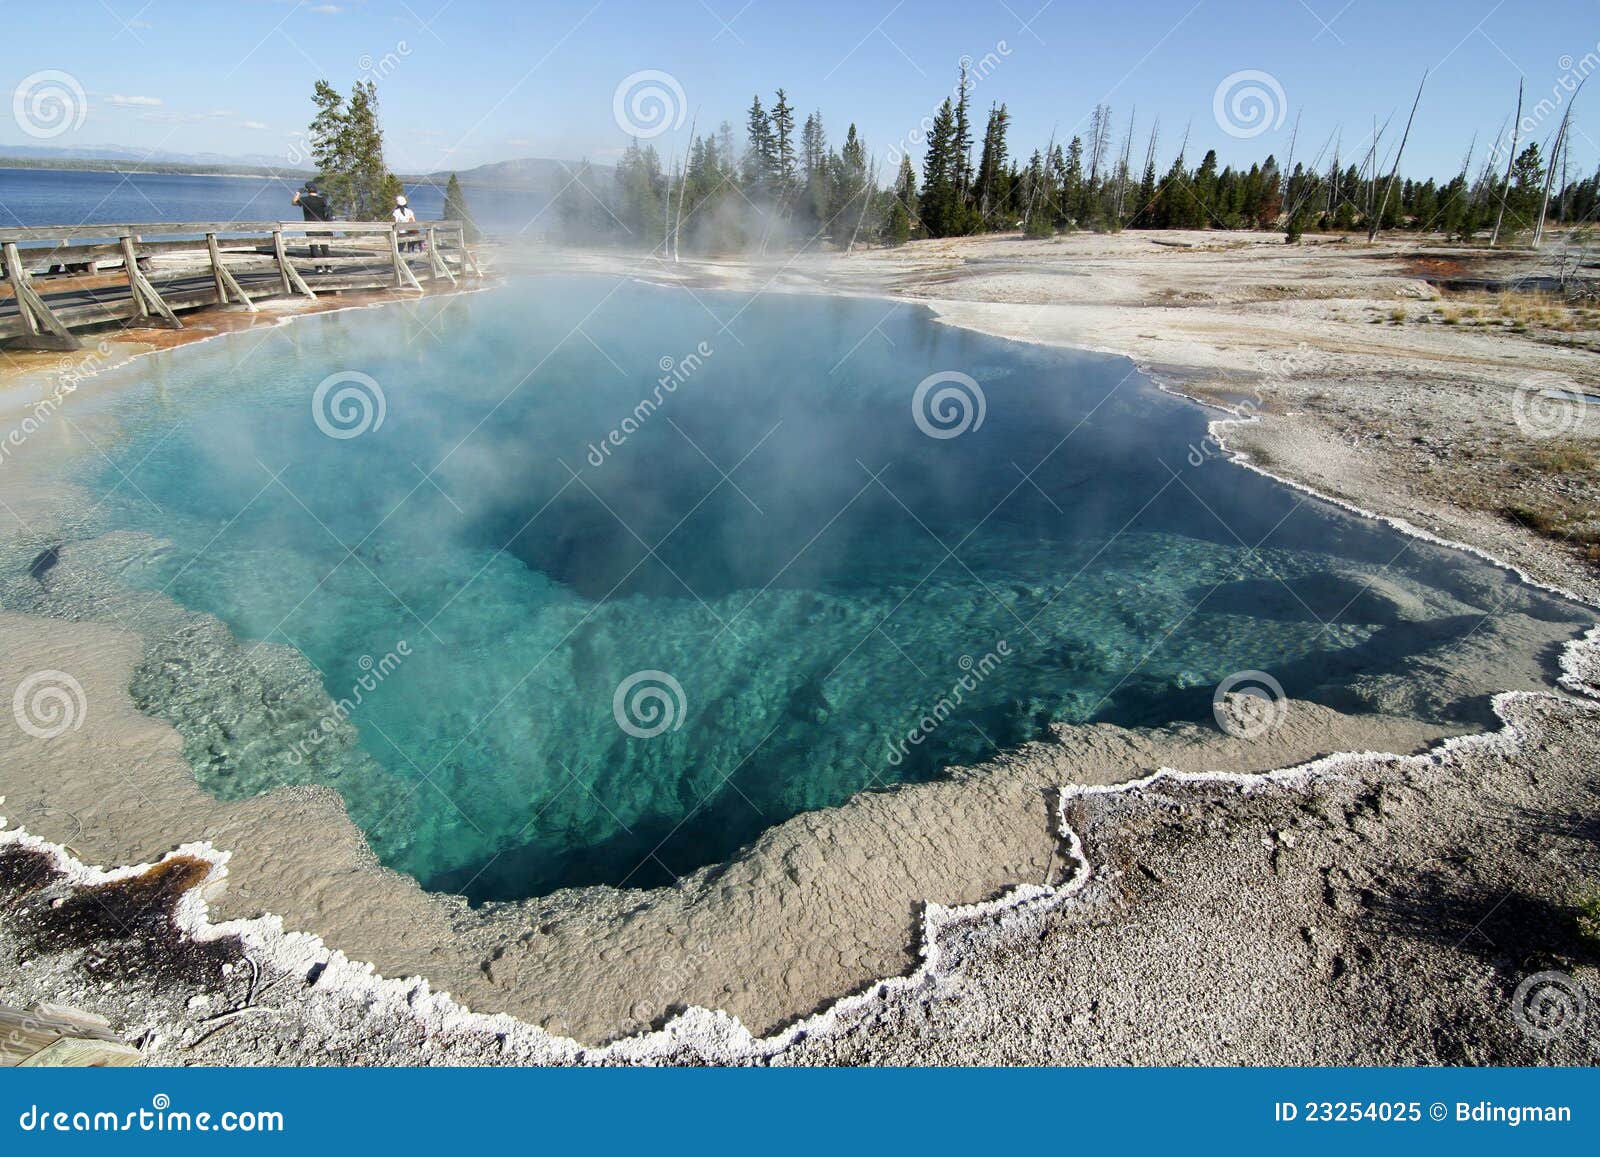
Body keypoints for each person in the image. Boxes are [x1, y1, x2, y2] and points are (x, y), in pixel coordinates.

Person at [292, 182, 332, 273]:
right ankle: (329, 267)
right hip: (323, 225)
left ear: (307, 190)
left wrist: (298, 192)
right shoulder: (322, 200)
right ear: (316, 190)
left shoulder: (304, 199)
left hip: (310, 225)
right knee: (324, 246)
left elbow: (293, 202)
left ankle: (318, 268)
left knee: (313, 246)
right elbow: (328, 211)